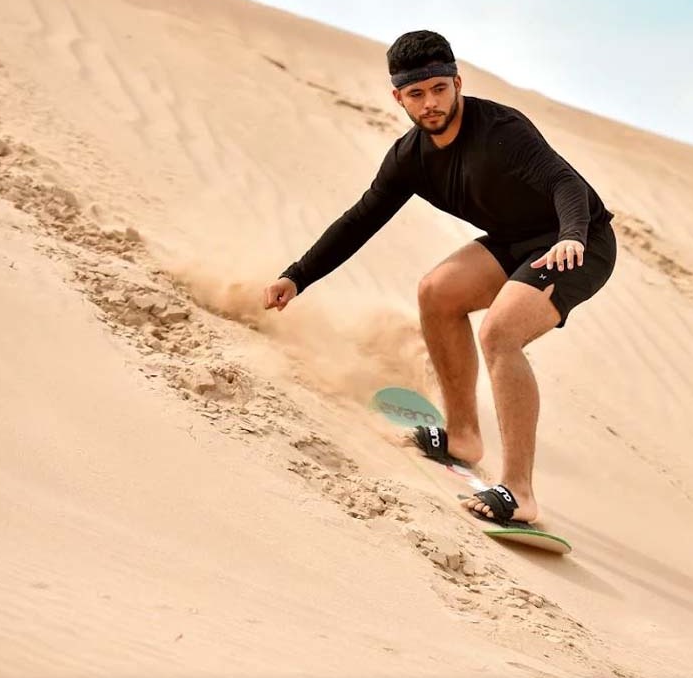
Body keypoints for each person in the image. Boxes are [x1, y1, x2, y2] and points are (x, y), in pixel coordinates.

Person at [263, 30, 616, 525]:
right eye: (416, 93)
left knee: (500, 333)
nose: (430, 103)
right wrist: (298, 276)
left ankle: (520, 491)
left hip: (578, 243)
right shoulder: (410, 159)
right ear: (398, 98)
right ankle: (463, 435)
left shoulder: (501, 130)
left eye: (439, 89)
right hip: (513, 240)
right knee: (437, 292)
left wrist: (572, 235)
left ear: (457, 83)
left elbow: (565, 182)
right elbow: (361, 219)